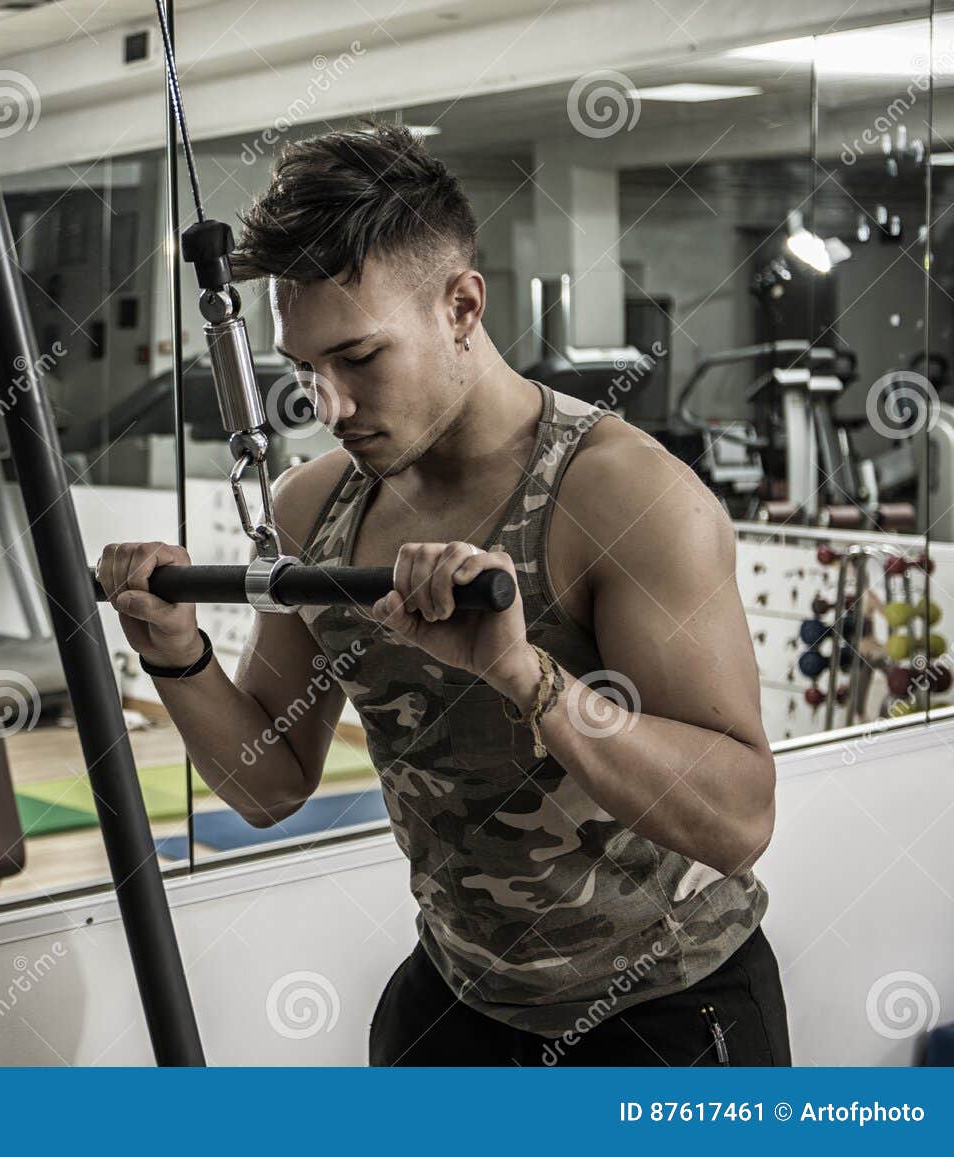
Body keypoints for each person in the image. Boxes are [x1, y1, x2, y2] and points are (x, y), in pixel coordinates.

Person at [96, 124, 789, 1066]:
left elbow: (740, 817)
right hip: (457, 1005)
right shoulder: (315, 507)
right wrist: (173, 649)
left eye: (359, 357)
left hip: (670, 1014)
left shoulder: (624, 496)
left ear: (462, 305)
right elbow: (268, 782)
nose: (327, 404)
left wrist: (522, 674)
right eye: (304, 369)